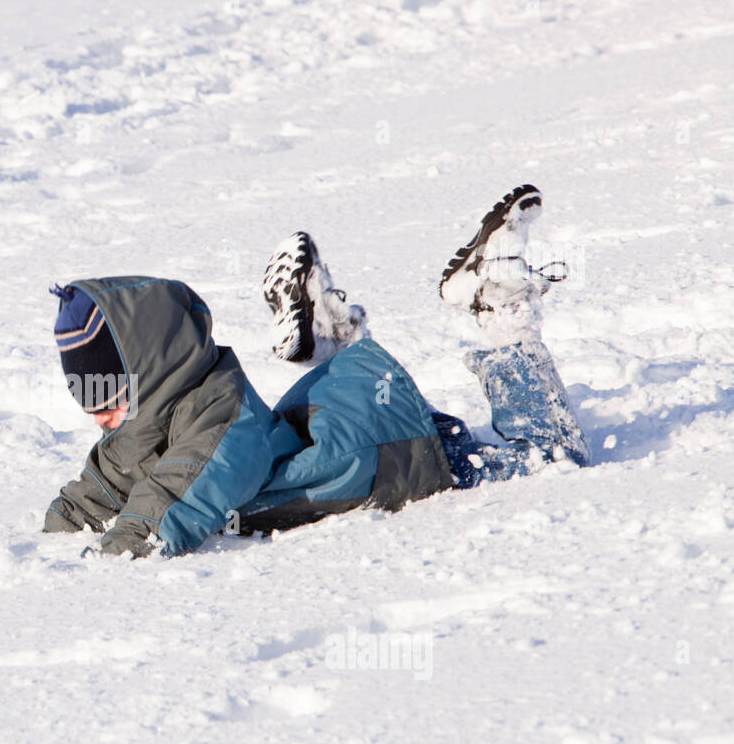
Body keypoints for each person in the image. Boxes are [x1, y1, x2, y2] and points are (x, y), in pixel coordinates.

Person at [43, 185, 590, 558]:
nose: (100, 413)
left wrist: (124, 548)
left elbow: (170, 507)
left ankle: (505, 304)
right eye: (87, 398)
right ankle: (335, 334)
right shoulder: (151, 417)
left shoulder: (219, 422)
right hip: (352, 421)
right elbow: (103, 486)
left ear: (153, 369)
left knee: (554, 456)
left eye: (107, 393)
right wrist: (58, 529)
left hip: (398, 457)